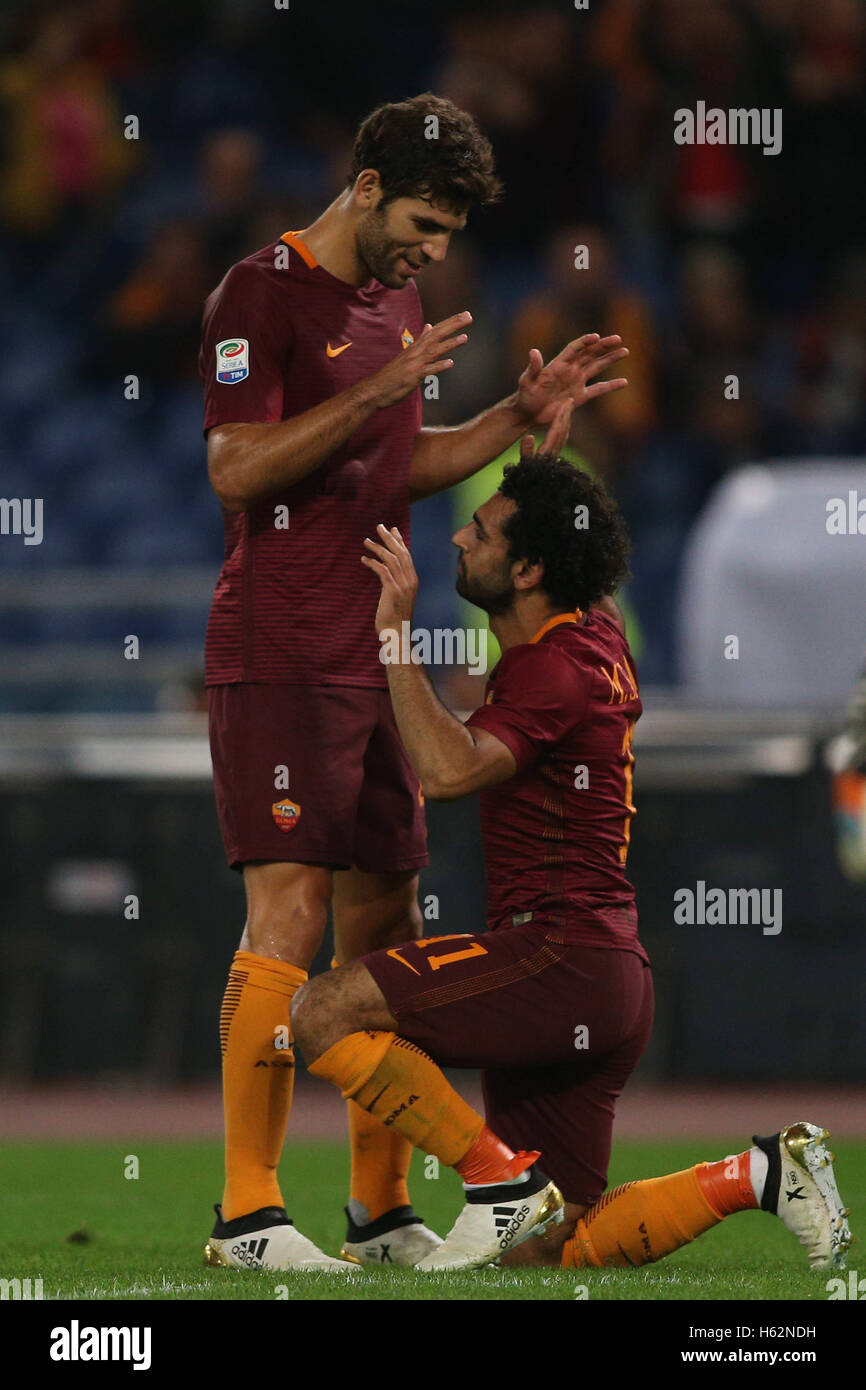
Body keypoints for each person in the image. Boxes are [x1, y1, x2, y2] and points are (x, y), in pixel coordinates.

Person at [199, 91, 629, 1273]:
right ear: (369, 184)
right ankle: (245, 1213)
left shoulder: (399, 300)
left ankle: (380, 1214)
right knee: (285, 914)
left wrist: (506, 416)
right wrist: (375, 395)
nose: (432, 254)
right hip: (281, 645)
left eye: (445, 237)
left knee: (384, 924)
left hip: (377, 645)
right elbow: (235, 469)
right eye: (424, 226)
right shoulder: (256, 293)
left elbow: (389, 475)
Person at [290, 447, 852, 1274]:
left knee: (323, 1013)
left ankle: (494, 1179)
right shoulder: (593, 625)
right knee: (554, 1249)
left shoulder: (553, 669)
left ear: (528, 569)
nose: (456, 542)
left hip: (554, 958)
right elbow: (564, 532)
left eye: (478, 534)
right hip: (606, 973)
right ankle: (761, 1174)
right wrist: (535, 444)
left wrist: (392, 637)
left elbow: (446, 772)